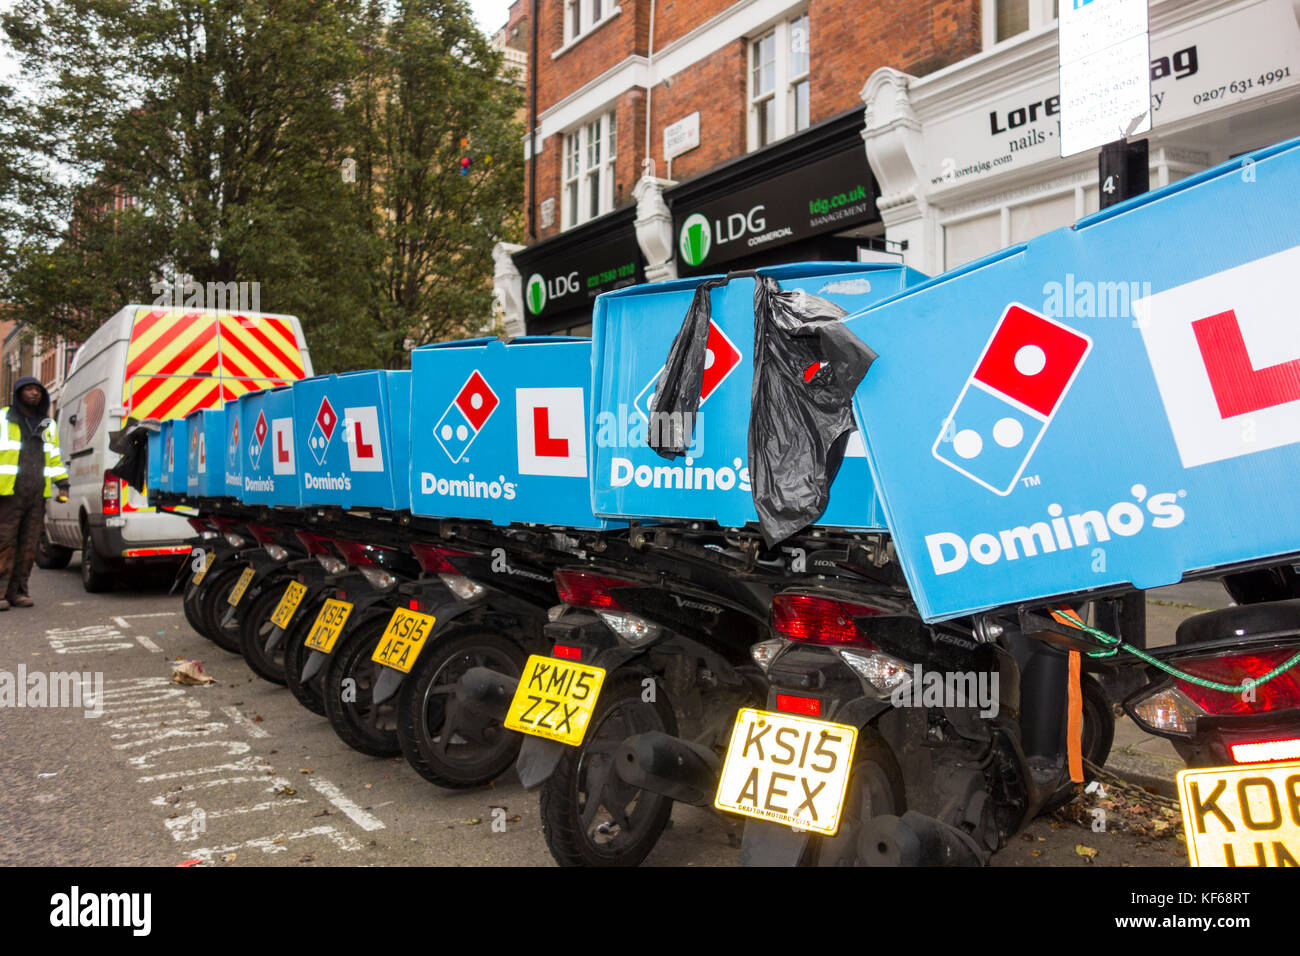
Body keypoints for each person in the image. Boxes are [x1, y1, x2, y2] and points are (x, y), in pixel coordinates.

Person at [0, 376, 70, 609]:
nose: (33, 393)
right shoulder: (3, 418)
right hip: (8, 493)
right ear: (18, 393)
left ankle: (19, 591)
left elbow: (53, 456)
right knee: (5, 542)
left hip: (36, 493)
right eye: (28, 389)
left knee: (29, 544)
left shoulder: (46, 425)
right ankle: (0, 593)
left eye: (37, 390)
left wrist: (62, 483)